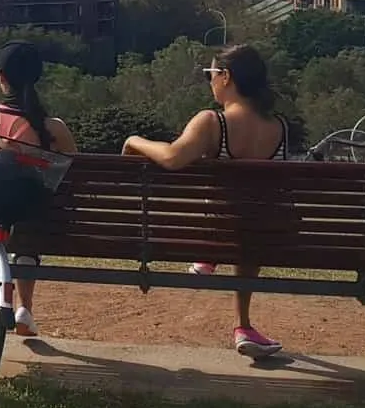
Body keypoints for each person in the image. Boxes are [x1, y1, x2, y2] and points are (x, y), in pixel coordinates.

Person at [121, 44, 290, 360]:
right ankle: (243, 324)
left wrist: (135, 141)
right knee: (251, 218)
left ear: (226, 77)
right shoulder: (279, 127)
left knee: (230, 217)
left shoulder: (213, 122)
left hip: (214, 229)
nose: (209, 81)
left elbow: (173, 158)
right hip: (259, 237)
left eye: (210, 74)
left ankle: (209, 253)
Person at [0, 41, 78, 338]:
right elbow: (74, 174)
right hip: (32, 221)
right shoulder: (53, 128)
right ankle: (23, 308)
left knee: (7, 216)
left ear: (2, 77)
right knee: (29, 222)